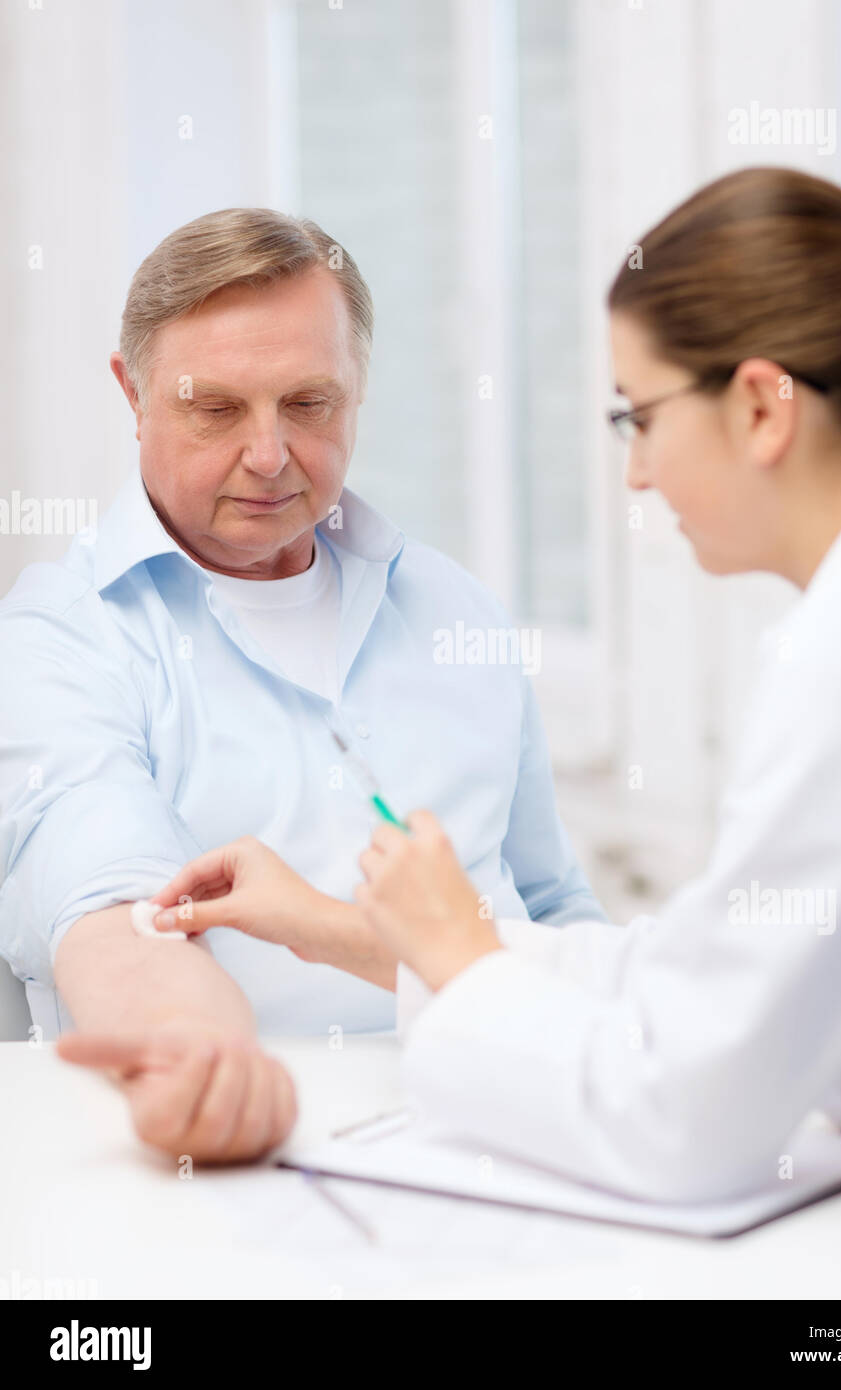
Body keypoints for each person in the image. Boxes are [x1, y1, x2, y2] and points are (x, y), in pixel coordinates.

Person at [113, 167, 841, 1277]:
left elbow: (681, 1116)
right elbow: (696, 980)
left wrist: (464, 954)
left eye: (641, 416)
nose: (638, 471)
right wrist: (373, 929)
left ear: (762, 405)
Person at [0, 208, 605, 1165]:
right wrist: (199, 1054)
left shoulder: (457, 610)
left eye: (309, 404)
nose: (271, 454)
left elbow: (549, 900)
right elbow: (114, 913)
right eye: (216, 409)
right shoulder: (62, 638)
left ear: (358, 388)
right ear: (134, 392)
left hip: (510, 1130)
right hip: (232, 1150)